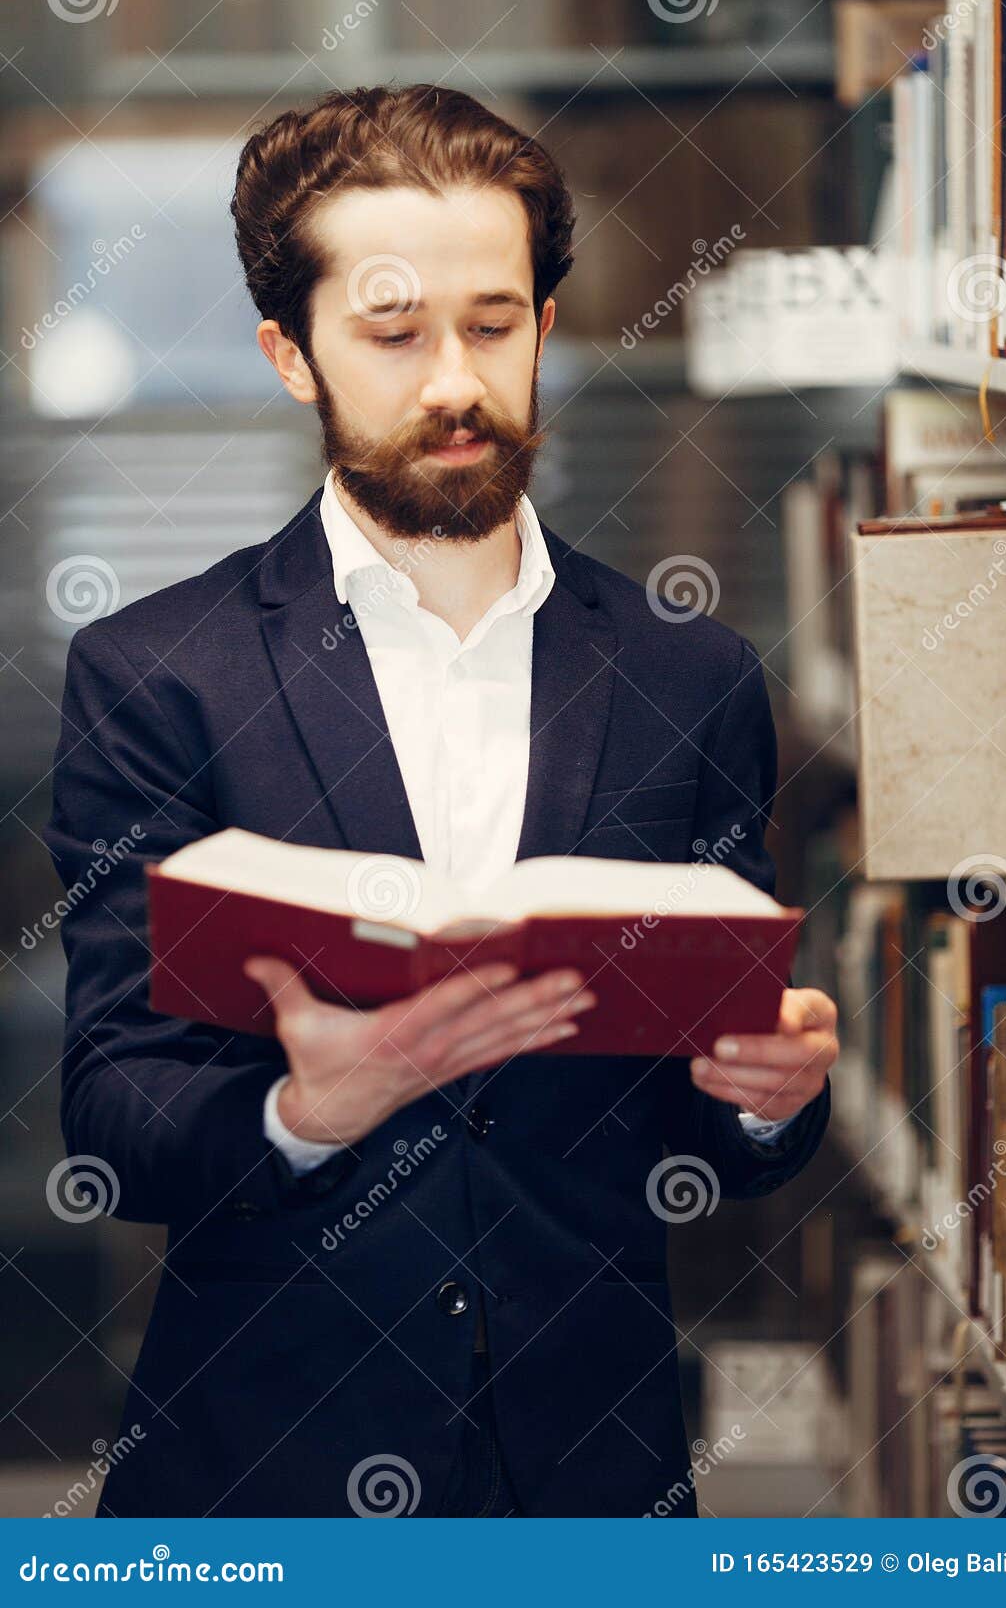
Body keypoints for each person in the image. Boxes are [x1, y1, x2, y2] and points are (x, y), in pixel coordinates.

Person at [43, 84, 838, 1519]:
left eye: (491, 322)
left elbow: (710, 1138)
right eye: (395, 334)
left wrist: (774, 1099)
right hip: (264, 1468)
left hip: (597, 1473)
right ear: (293, 354)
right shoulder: (157, 673)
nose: (454, 382)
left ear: (545, 324)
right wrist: (302, 1108)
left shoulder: (693, 677)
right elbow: (111, 1106)